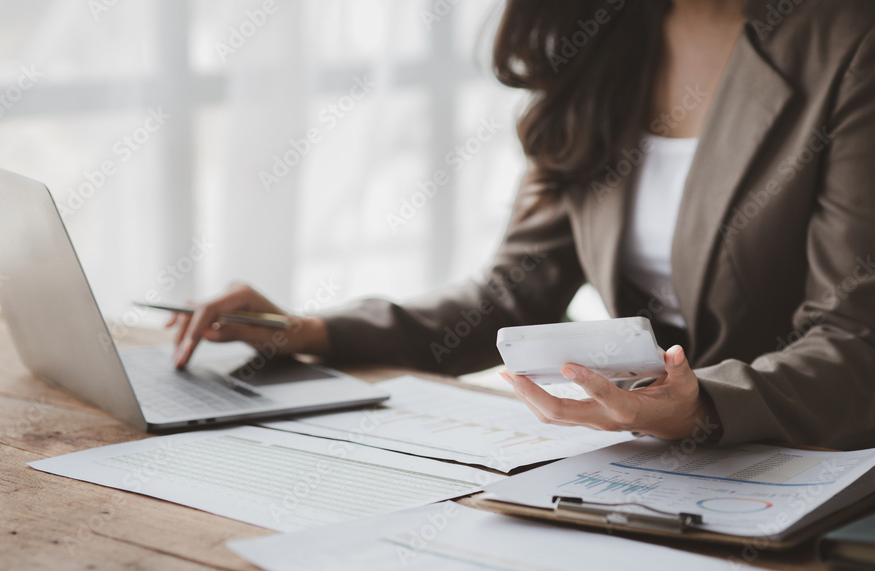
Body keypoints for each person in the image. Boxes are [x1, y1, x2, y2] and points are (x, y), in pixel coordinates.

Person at [171, 0, 875, 448]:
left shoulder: (850, 42)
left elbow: (854, 342)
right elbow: (515, 293)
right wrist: (311, 330)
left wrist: (703, 406)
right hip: (646, 460)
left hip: (800, 461)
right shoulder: (605, 33)